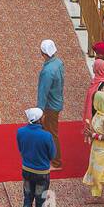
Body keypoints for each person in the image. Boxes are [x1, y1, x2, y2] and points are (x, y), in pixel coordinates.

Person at [16, 107, 55, 207]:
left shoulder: (20, 132)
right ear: (39, 120)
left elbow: (21, 149)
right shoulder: (47, 136)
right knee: (40, 200)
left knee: (27, 200)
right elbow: (52, 155)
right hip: (42, 173)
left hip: (26, 170)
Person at [37, 40, 65, 169]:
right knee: (50, 131)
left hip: (50, 106)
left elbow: (43, 92)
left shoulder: (47, 71)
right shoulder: (58, 63)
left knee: (51, 133)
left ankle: (56, 162)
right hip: (57, 100)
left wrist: (40, 111)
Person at [83, 56, 104, 142]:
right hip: (97, 115)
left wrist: (101, 118)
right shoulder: (96, 81)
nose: (93, 67)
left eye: (94, 66)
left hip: (102, 118)